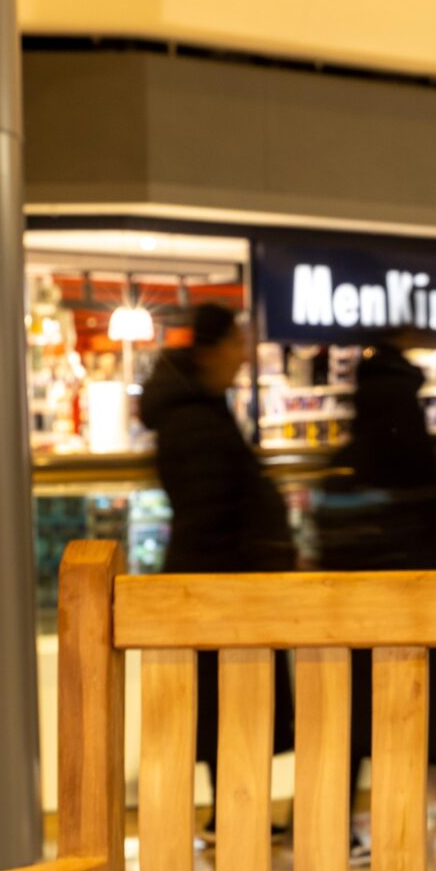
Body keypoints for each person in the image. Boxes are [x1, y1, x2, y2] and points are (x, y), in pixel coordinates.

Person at [318, 332, 436, 862]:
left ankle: (336, 832)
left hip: (357, 622)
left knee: (350, 726)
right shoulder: (420, 456)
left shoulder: (347, 462)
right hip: (421, 617)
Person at [140, 303, 296, 803]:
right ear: (211, 349)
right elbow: (215, 506)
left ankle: (232, 812)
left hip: (212, 585)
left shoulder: (194, 409)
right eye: (235, 343)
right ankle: (235, 814)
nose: (243, 355)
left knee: (220, 709)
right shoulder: (198, 417)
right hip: (222, 589)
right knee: (230, 707)